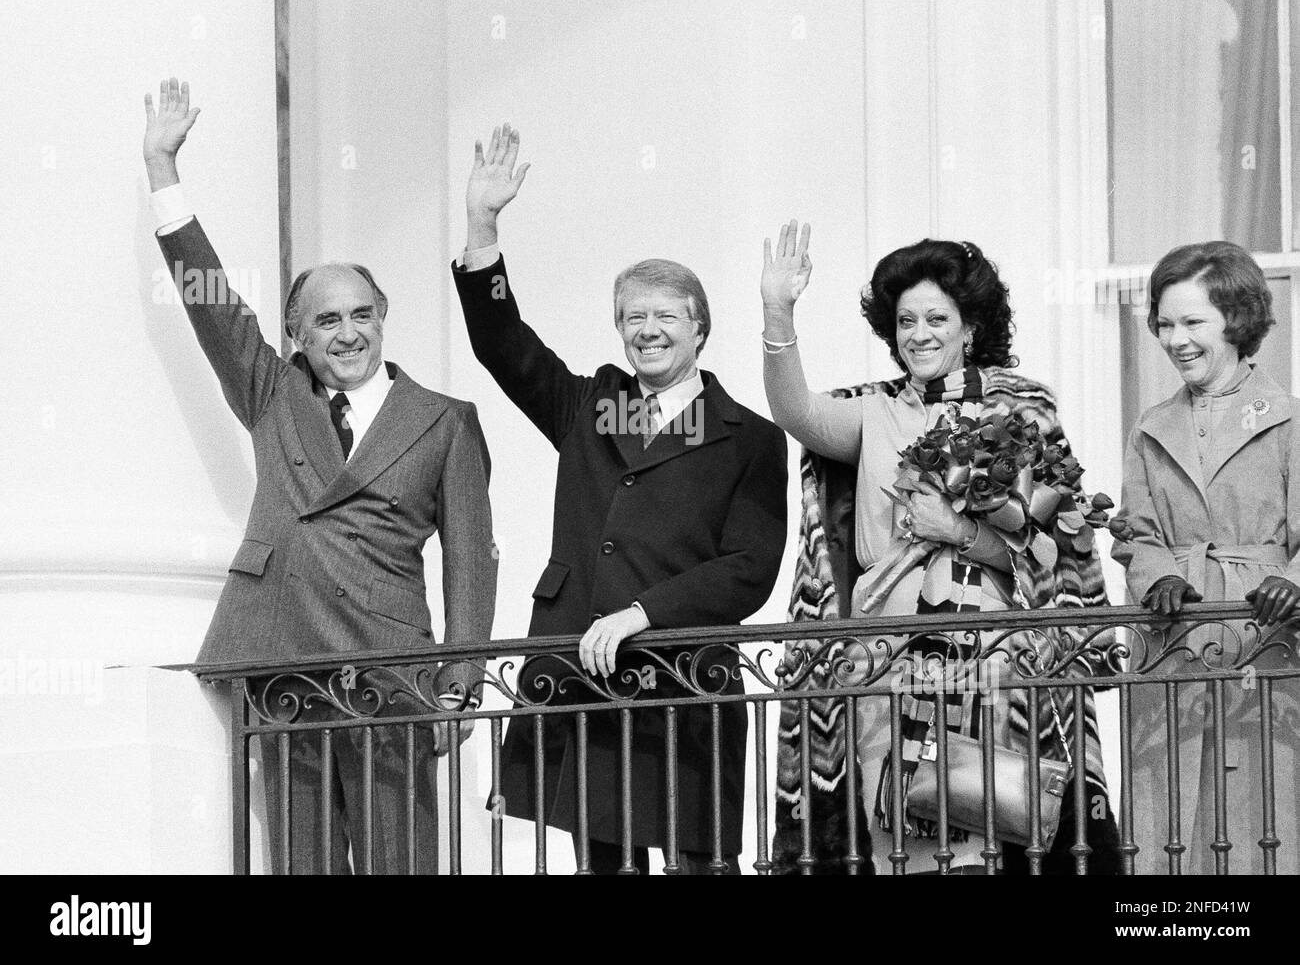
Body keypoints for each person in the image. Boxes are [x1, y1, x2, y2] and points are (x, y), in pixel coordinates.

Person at [142, 78, 497, 874]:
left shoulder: (445, 419)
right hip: (288, 663)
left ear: (384, 315)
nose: (348, 333)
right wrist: (164, 170)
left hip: (394, 672)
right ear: (297, 336)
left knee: (398, 860)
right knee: (301, 864)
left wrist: (463, 675)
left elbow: (474, 557)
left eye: (361, 314)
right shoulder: (274, 392)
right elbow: (212, 303)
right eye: (327, 320)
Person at [451, 125, 787, 874]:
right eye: (634, 316)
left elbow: (749, 566)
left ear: (699, 327)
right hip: (587, 678)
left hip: (684, 676)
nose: (648, 329)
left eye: (666, 314)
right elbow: (504, 344)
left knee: (698, 865)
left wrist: (643, 615)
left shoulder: (749, 436)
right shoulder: (595, 407)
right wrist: (483, 229)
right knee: (608, 866)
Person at [760, 223, 1120, 874]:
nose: (918, 333)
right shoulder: (871, 412)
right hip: (889, 659)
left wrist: (960, 533)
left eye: (935, 317)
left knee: (988, 832)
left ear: (969, 327)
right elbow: (795, 411)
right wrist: (778, 310)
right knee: (903, 840)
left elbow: (1049, 558)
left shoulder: (1022, 413)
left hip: (989, 663)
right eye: (905, 320)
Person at [1112, 240, 1300, 874]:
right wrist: (1157, 572)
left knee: (1261, 814)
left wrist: (1291, 581)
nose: (1175, 339)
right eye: (1165, 324)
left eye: (1193, 322)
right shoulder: (1150, 426)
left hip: (1266, 637)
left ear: (1237, 320)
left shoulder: (1289, 420)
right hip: (1171, 641)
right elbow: (1136, 535)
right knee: (1166, 815)